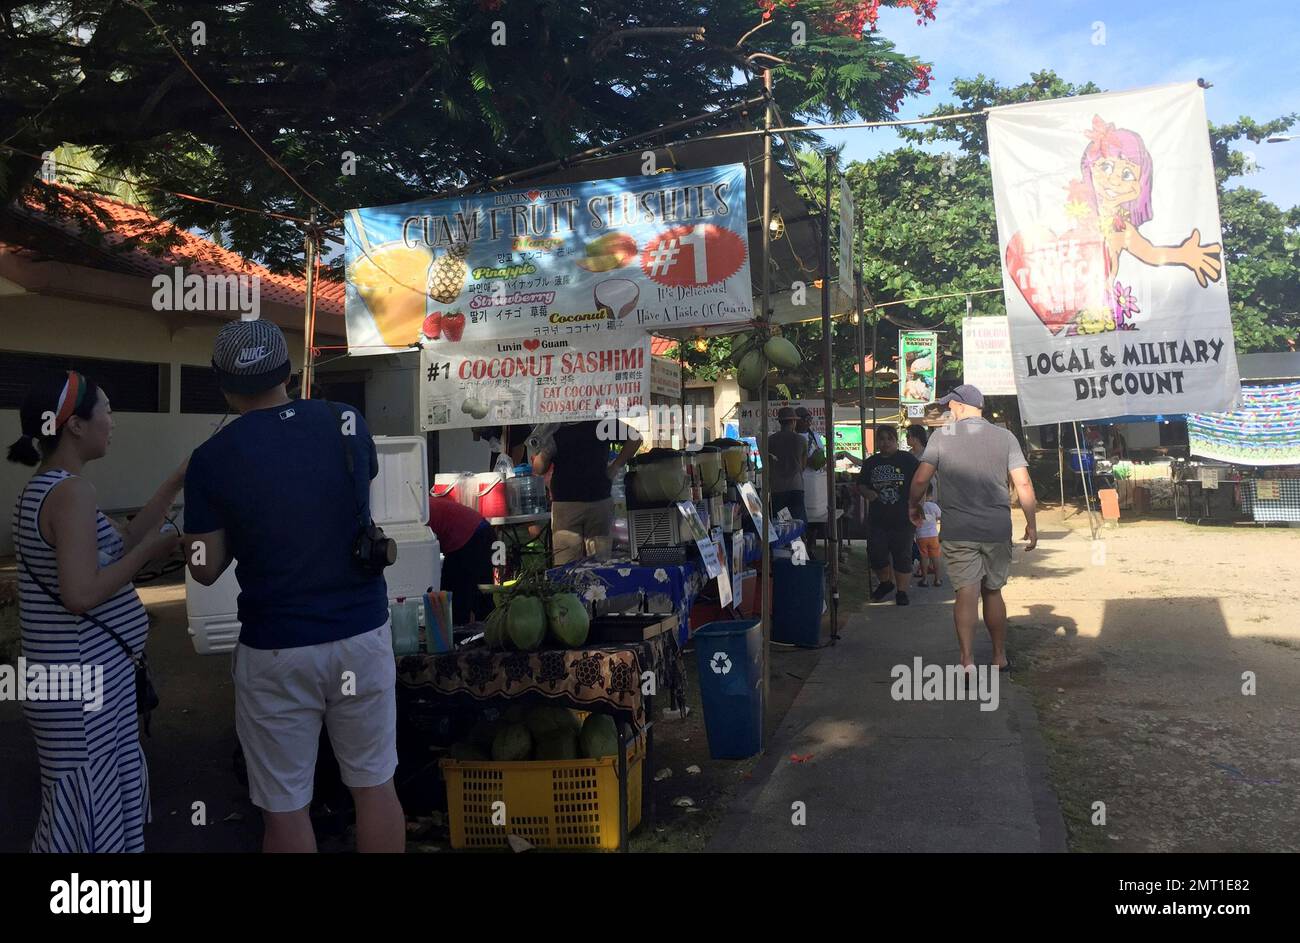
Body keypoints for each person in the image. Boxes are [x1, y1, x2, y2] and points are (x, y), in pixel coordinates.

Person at [183, 319, 404, 853]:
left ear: (224, 385)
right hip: (360, 636)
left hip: (276, 649)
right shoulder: (346, 420)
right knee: (375, 790)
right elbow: (346, 496)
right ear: (288, 371)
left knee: (285, 812)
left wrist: (238, 525)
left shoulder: (212, 457)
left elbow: (203, 566)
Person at [7, 371, 183, 852]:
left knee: (90, 802)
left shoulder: (46, 488)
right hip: (83, 686)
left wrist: (175, 481)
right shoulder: (71, 493)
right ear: (76, 426)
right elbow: (81, 594)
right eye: (106, 409)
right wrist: (156, 552)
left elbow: (119, 543)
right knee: (86, 809)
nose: (113, 421)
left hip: (76, 682)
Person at [909, 384, 1038, 672]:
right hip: (996, 529)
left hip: (959, 530)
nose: (947, 411)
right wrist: (1031, 523)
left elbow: (920, 480)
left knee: (966, 593)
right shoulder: (1005, 437)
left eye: (949, 406)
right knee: (992, 592)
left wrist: (912, 505)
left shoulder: (942, 437)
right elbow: (1024, 483)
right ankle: (998, 657)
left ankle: (967, 661)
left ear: (960, 406)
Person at [533, 419, 639, 565]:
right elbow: (539, 468)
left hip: (596, 500)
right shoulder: (553, 426)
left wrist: (616, 466)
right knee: (567, 565)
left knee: (600, 564)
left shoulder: (602, 422)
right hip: (567, 503)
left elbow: (635, 438)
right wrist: (545, 453)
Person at [854, 425, 919, 605]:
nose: (885, 442)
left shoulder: (908, 460)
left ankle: (902, 591)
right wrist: (867, 492)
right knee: (876, 554)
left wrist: (917, 504)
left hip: (903, 517)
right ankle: (885, 583)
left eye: (889, 439)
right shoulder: (871, 463)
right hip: (878, 518)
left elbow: (921, 482)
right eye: (881, 439)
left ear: (896, 441)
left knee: (902, 556)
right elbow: (861, 484)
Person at [428, 495, 493, 624]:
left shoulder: (418, 514)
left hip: (473, 535)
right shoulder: (418, 506)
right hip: (476, 529)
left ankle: (476, 635)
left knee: (457, 599)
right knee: (458, 596)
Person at [767, 406, 808, 523]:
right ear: (794, 422)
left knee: (782, 524)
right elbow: (803, 466)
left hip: (777, 488)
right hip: (796, 487)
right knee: (797, 525)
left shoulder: (770, 440)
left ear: (780, 422)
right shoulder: (801, 440)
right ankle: (800, 542)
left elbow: (768, 464)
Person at [914, 490, 943, 587]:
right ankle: (938, 579)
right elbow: (940, 518)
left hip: (921, 535)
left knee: (923, 557)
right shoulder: (934, 506)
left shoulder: (917, 506)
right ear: (930, 495)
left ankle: (925, 579)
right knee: (936, 556)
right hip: (933, 535)